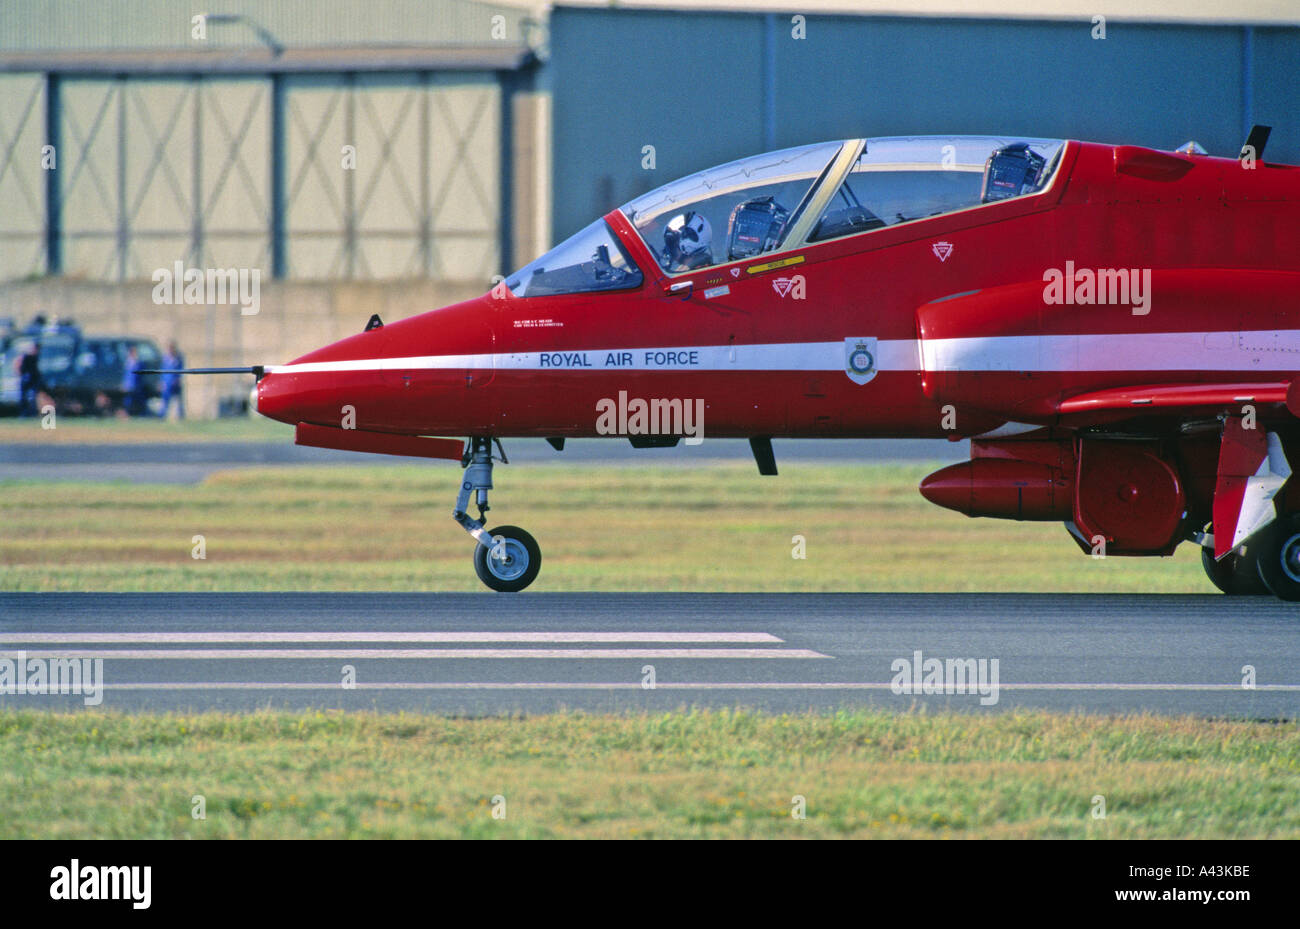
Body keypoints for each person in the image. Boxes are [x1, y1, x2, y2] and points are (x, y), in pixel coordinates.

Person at [16, 340, 46, 417]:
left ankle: (33, 412)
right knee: (24, 397)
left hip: (33, 379)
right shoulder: (27, 357)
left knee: (34, 396)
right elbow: (22, 368)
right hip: (27, 378)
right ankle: (24, 413)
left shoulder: (35, 357)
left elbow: (35, 370)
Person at [159, 341, 184, 420]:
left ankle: (180, 416)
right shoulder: (165, 358)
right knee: (165, 400)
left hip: (175, 383)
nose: (170, 350)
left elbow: (181, 370)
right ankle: (162, 416)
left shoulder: (178, 358)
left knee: (178, 400)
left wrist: (178, 379)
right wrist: (161, 382)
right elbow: (162, 371)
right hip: (167, 383)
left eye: (172, 348)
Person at [121, 345, 143, 416]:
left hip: (136, 386)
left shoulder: (138, 363)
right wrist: (125, 384)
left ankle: (138, 414)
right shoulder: (128, 363)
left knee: (137, 400)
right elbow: (126, 376)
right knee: (128, 400)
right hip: (128, 385)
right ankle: (127, 413)